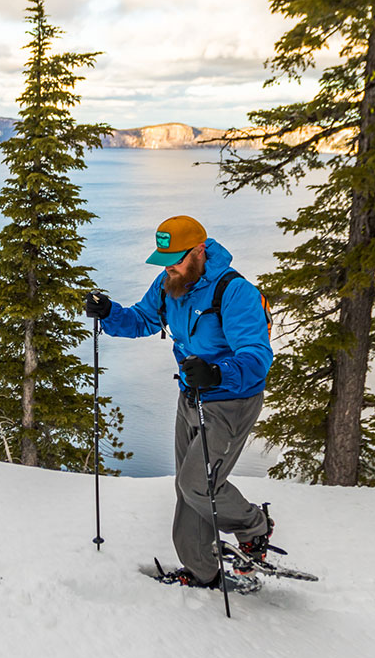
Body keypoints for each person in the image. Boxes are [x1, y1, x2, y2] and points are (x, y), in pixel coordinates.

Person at [85, 215, 275, 589]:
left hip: (230, 400)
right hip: (190, 395)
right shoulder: (171, 283)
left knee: (199, 485)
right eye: (164, 259)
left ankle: (255, 527)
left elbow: (256, 356)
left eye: (176, 259)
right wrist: (109, 314)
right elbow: (143, 319)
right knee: (187, 488)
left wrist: (218, 373)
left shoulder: (235, 292)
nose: (168, 267)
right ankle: (202, 570)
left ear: (200, 251)